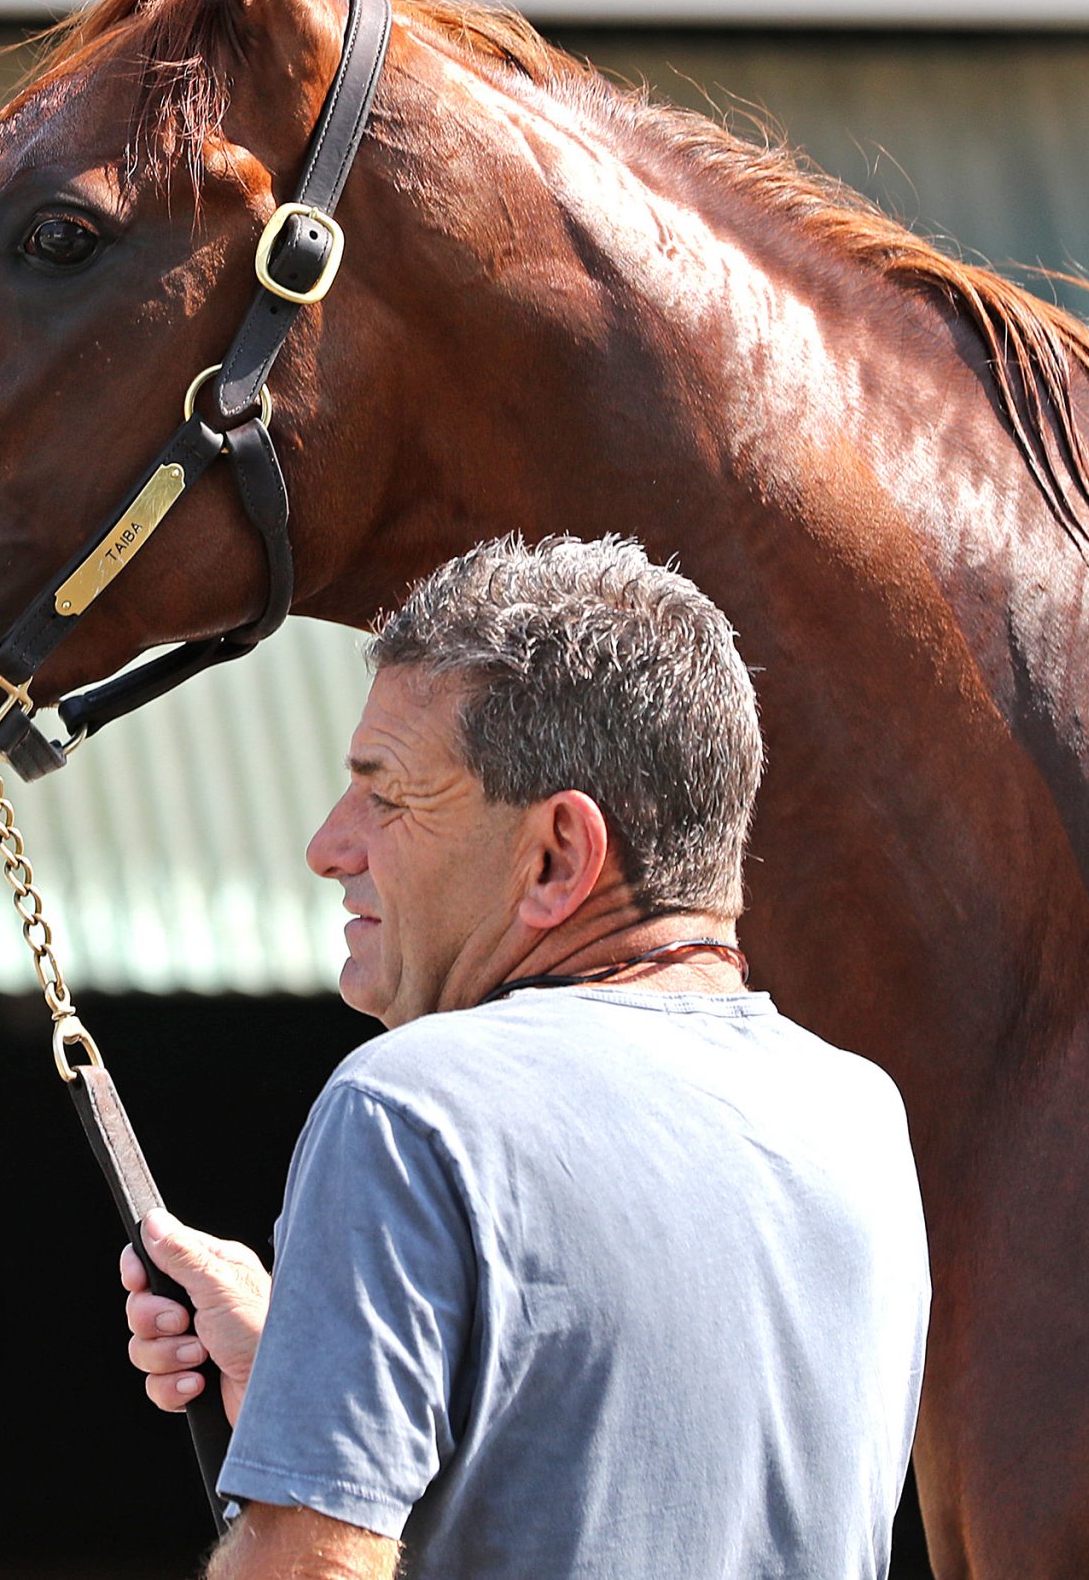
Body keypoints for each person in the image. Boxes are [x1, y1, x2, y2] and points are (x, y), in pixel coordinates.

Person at [120, 534, 928, 1578]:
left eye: (389, 795)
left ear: (555, 857)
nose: (329, 845)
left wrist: (293, 1504)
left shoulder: (411, 1108)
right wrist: (314, 1394)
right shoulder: (855, 1116)